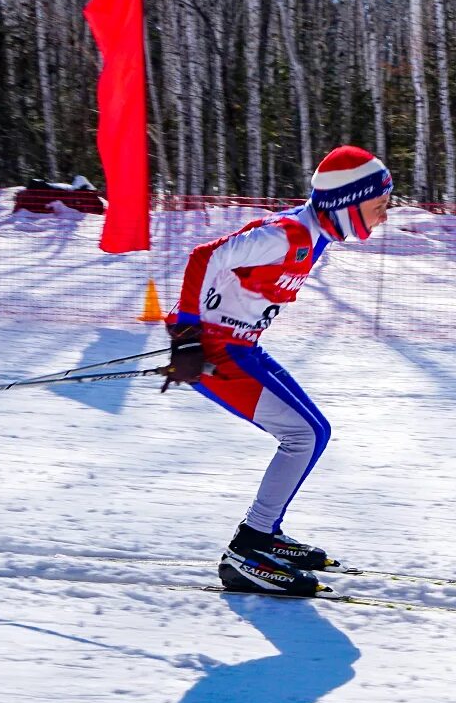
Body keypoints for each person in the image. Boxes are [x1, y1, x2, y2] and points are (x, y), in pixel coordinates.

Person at [163, 145, 394, 598]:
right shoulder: (287, 235)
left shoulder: (317, 232)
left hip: (240, 345)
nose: (384, 216)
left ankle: (264, 534)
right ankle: (246, 552)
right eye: (379, 206)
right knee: (303, 436)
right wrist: (187, 336)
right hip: (213, 351)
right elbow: (204, 256)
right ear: (346, 202)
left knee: (316, 432)